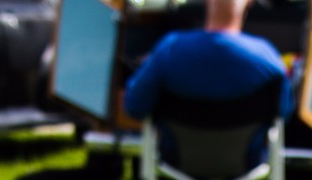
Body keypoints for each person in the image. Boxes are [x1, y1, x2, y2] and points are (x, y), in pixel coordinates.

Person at [124, 0, 294, 162]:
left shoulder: (169, 50)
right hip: (247, 170)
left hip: (174, 169)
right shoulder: (268, 59)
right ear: (250, 2)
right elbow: (283, 114)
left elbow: (135, 106)